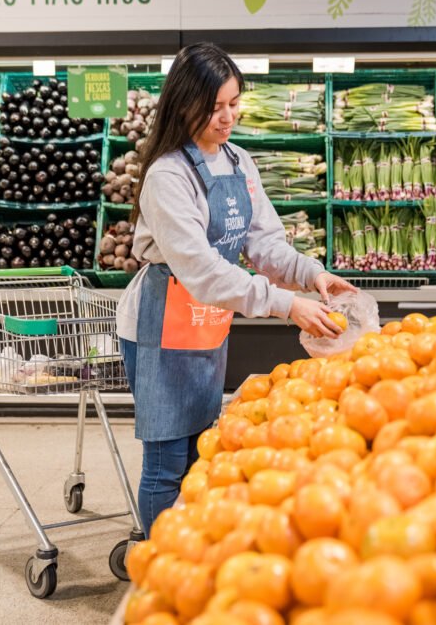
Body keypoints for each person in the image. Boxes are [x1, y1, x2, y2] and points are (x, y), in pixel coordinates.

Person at [115, 42, 356, 535]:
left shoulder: (239, 162)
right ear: (184, 104)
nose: (227, 118)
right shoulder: (167, 175)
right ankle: (161, 559)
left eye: (234, 103)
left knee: (204, 448)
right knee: (166, 458)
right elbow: (201, 270)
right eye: (215, 106)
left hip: (206, 323)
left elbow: (264, 244)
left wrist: (311, 274)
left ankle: (194, 546)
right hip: (160, 324)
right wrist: (286, 304)